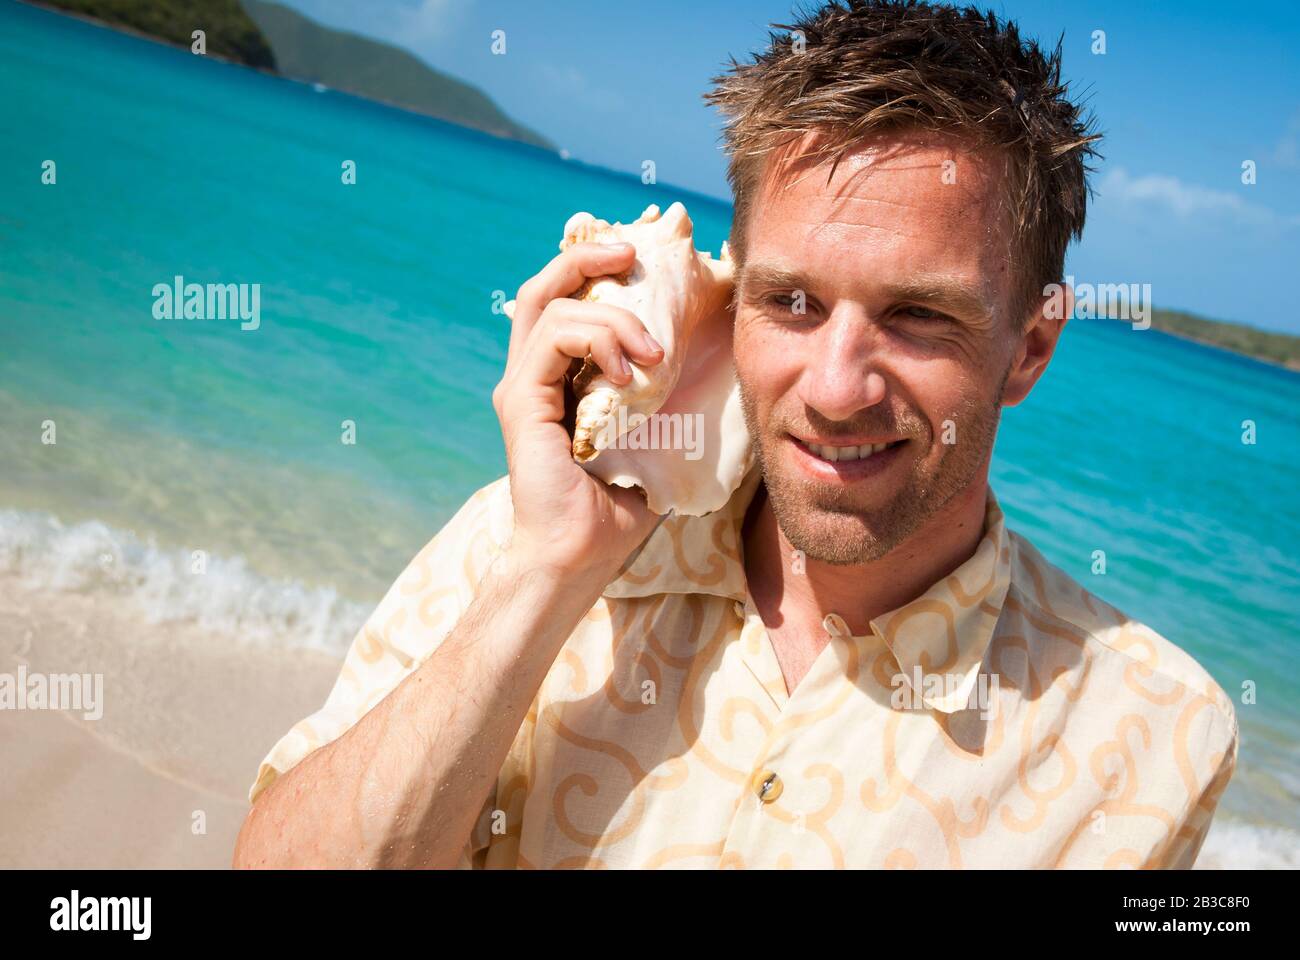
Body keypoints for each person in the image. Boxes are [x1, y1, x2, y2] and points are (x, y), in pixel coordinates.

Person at [233, 0, 1237, 869]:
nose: (837, 389)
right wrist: (549, 573)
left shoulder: (1151, 731)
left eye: (919, 316)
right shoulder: (519, 545)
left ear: (1028, 349)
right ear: (727, 303)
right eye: (791, 301)